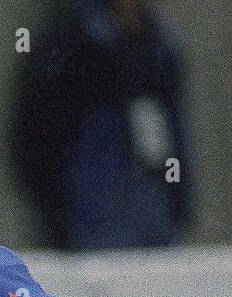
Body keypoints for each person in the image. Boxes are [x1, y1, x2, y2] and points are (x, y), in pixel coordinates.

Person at [10, 0, 192, 251]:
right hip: (93, 215)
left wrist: (179, 200)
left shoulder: (158, 42)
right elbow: (36, 134)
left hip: (153, 210)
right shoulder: (68, 43)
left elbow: (174, 130)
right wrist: (55, 212)